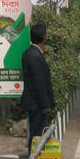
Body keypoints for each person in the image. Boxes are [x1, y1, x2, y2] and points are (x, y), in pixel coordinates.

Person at [20, 22, 55, 151]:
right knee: (36, 136)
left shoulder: (28, 53)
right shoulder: (35, 56)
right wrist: (45, 105)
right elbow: (39, 83)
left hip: (33, 103)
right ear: (44, 38)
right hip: (37, 105)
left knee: (35, 135)